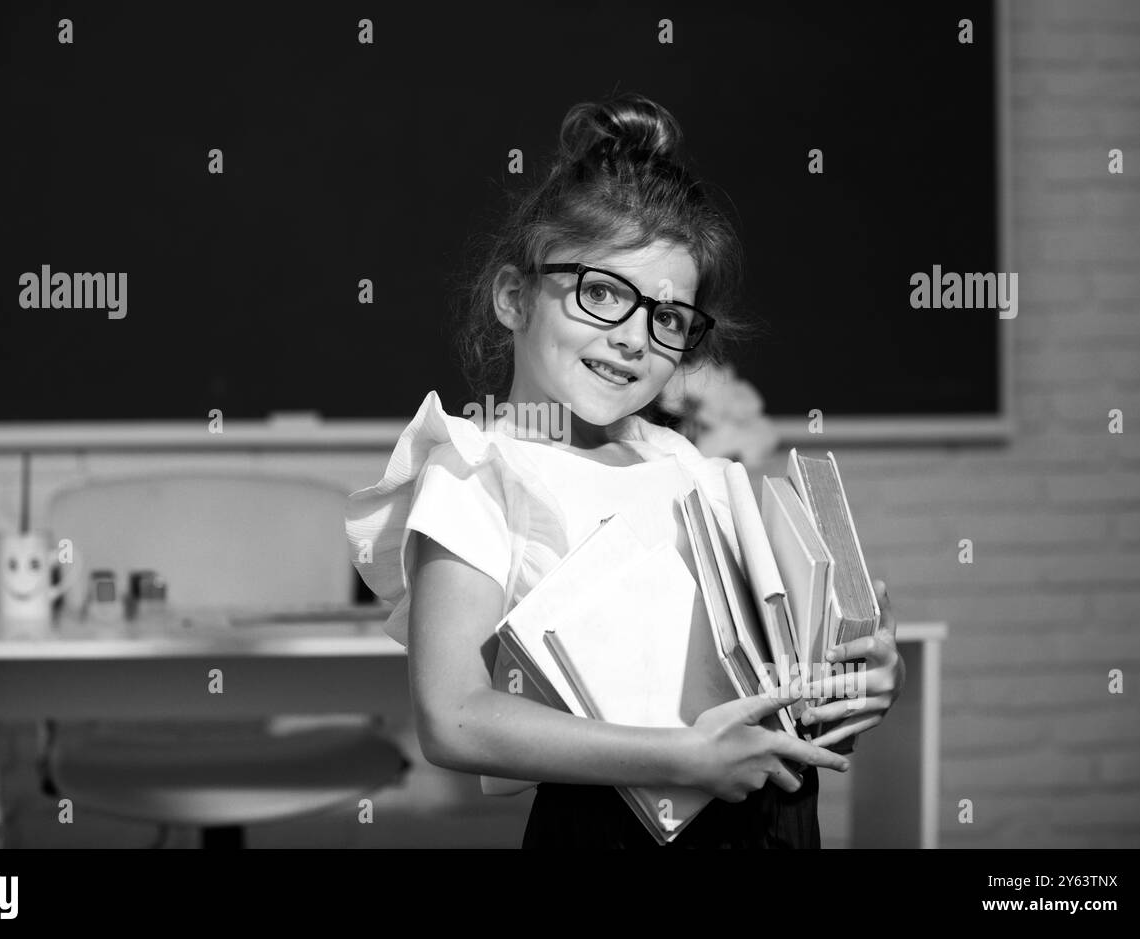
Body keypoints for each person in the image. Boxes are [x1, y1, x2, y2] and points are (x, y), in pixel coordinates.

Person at [345, 92, 904, 848]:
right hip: (612, 832)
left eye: (667, 318)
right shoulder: (479, 470)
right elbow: (454, 716)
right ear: (514, 296)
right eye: (602, 292)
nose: (634, 338)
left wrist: (848, 688)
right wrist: (686, 757)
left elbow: (771, 704)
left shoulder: (685, 465)